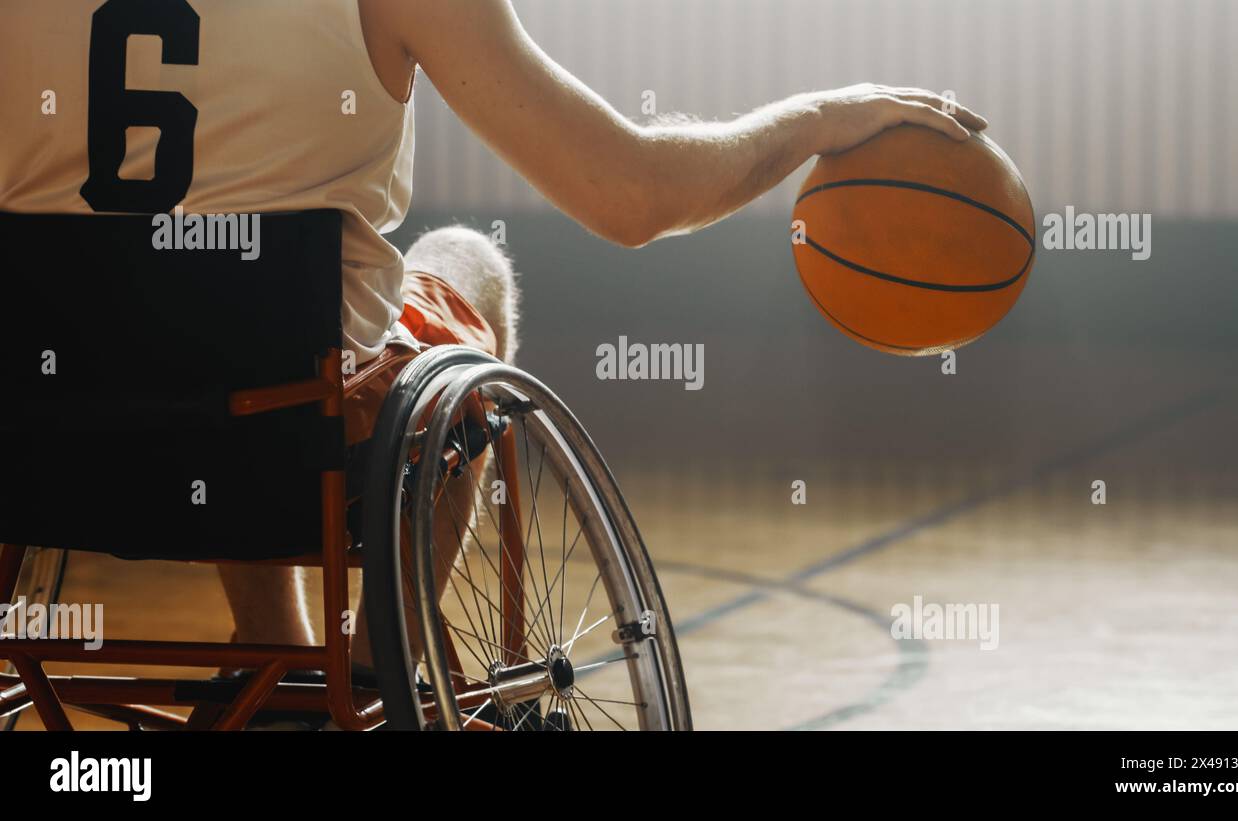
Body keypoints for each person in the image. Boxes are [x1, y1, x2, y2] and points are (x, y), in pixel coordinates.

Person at [0, 0, 986, 677]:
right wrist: (819, 117)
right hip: (295, 438)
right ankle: (376, 673)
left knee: (187, 321)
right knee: (461, 261)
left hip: (44, 443)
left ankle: (269, 646)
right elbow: (633, 195)